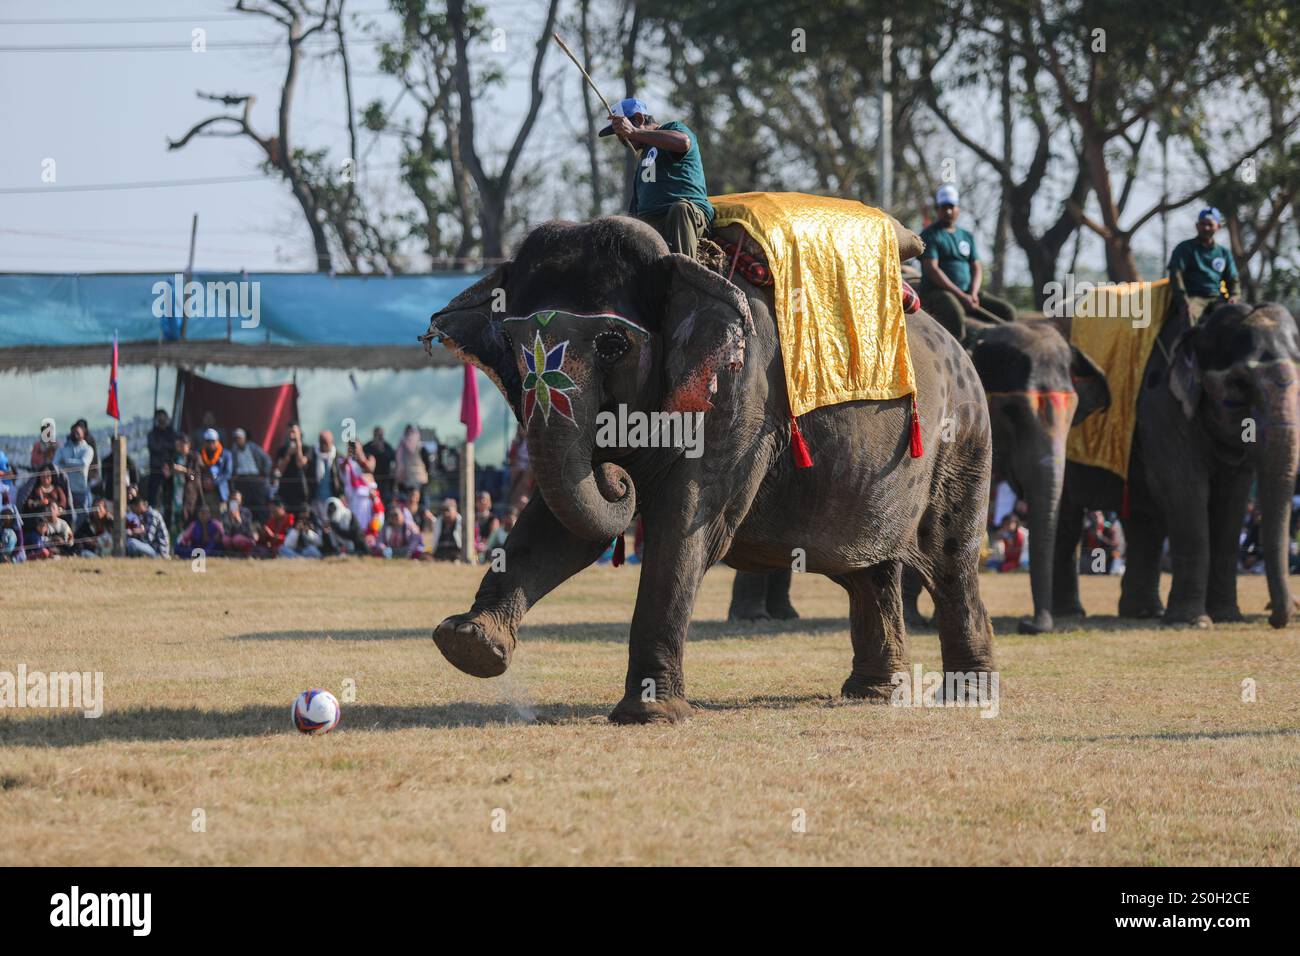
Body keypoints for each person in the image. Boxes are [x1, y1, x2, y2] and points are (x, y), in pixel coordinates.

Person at [603, 97, 714, 260]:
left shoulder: (673, 128)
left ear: (640, 119)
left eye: (621, 131)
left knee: (680, 209)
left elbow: (683, 142)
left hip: (686, 218)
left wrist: (634, 132)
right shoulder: (644, 157)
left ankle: (686, 276)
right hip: (652, 223)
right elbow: (635, 206)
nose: (621, 138)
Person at [917, 185, 1016, 331]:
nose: (948, 211)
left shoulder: (966, 236)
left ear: (958, 209)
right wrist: (960, 295)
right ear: (937, 210)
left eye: (951, 206)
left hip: (968, 294)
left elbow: (976, 266)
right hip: (937, 292)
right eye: (944, 207)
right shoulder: (930, 235)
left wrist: (973, 293)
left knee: (1007, 312)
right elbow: (932, 269)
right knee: (955, 314)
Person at [1168, 207, 1240, 324]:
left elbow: (1233, 280)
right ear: (1197, 226)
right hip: (1194, 298)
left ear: (1218, 227)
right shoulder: (1184, 248)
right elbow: (1176, 275)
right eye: (1203, 224)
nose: (1206, 228)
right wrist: (1183, 302)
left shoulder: (1224, 253)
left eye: (1210, 224)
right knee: (1189, 317)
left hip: (1217, 298)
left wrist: (1234, 297)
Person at [228, 427, 272, 519]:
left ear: (245, 438)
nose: (238, 440)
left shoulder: (253, 447)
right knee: (243, 503)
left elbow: (267, 460)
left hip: (256, 478)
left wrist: (264, 474)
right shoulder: (233, 450)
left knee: (259, 503)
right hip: (241, 480)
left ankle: (262, 523)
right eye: (236, 438)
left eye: (240, 438)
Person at [54, 421, 95, 517]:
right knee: (67, 517)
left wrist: (66, 462)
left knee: (82, 517)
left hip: (80, 490)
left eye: (78, 432)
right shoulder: (63, 448)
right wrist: (74, 464)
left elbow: (83, 464)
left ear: (83, 434)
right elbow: (55, 465)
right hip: (66, 490)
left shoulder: (88, 449)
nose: (75, 434)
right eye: (73, 431)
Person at [274, 425, 312, 517]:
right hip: (285, 491)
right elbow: (280, 470)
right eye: (290, 433)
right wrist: (288, 454)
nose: (291, 436)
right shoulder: (282, 450)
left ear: (300, 434)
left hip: (301, 491)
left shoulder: (306, 449)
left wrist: (298, 448)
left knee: (302, 517)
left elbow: (300, 464)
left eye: (294, 432)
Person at [146, 409, 178, 507]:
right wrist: (166, 446)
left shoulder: (172, 432)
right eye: (159, 416)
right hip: (156, 469)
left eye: (163, 416)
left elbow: (174, 447)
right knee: (154, 496)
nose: (161, 418)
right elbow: (154, 447)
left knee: (169, 497)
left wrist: (163, 446)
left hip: (170, 469)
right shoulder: (152, 433)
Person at [125, 493, 170, 558]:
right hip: (151, 548)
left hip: (159, 552)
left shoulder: (152, 515)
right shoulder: (143, 516)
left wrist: (134, 532)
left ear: (139, 506)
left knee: (131, 543)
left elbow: (148, 538)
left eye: (133, 508)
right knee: (129, 540)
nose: (133, 511)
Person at [197, 427, 233, 504]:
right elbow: (196, 471)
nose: (211, 444)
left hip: (220, 492)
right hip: (203, 491)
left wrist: (214, 482)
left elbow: (228, 473)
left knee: (221, 515)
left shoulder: (226, 454)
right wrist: (203, 481)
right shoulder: (199, 454)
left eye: (213, 441)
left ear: (218, 441)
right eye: (208, 441)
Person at [364, 427, 397, 505]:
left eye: (381, 435)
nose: (379, 437)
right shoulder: (367, 447)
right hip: (372, 482)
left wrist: (382, 450)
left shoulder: (387, 447)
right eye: (378, 435)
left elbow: (393, 459)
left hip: (386, 484)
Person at [394, 424, 428, 497]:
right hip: (417, 478)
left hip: (405, 478)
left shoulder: (401, 445)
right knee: (419, 501)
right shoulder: (420, 446)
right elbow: (427, 462)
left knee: (408, 501)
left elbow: (397, 461)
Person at [221, 490, 257, 555]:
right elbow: (227, 531)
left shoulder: (246, 512)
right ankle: (231, 555)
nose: (235, 502)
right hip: (232, 536)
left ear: (241, 501)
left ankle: (243, 554)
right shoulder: (225, 514)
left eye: (237, 499)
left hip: (246, 537)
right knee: (225, 539)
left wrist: (238, 520)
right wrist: (231, 519)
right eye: (232, 499)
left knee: (237, 539)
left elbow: (248, 531)